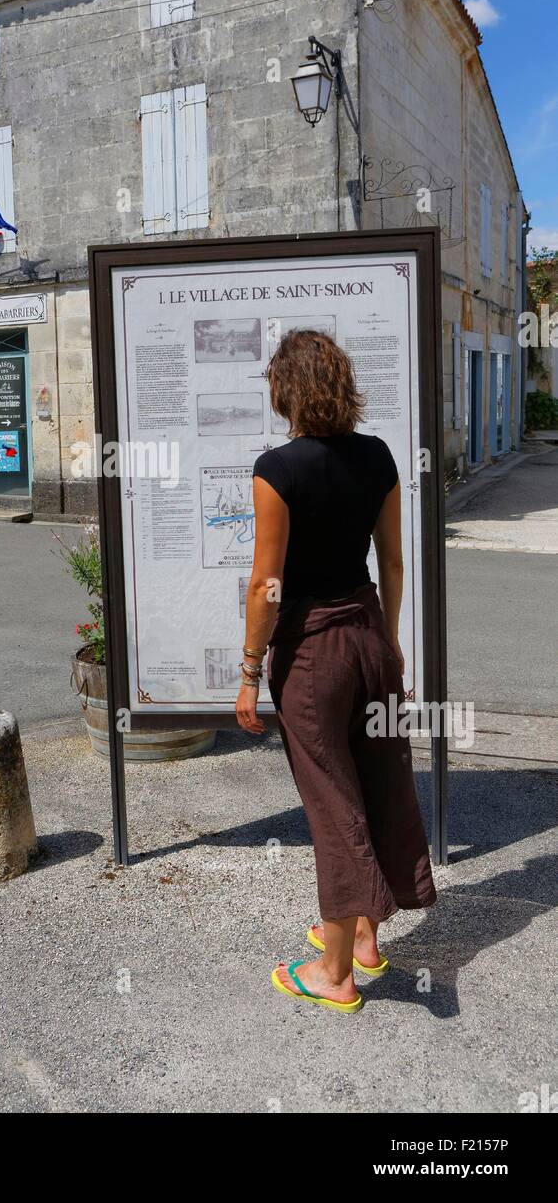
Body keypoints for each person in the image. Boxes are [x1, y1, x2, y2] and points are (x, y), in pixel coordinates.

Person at [237, 329, 436, 1015]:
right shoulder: (378, 457)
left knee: (332, 804)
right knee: (379, 782)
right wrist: (391, 640)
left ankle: (335, 973)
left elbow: (267, 585)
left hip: (314, 651)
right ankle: (366, 941)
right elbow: (394, 563)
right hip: (369, 636)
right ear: (342, 384)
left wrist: (248, 670)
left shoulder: (277, 469)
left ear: (286, 391)